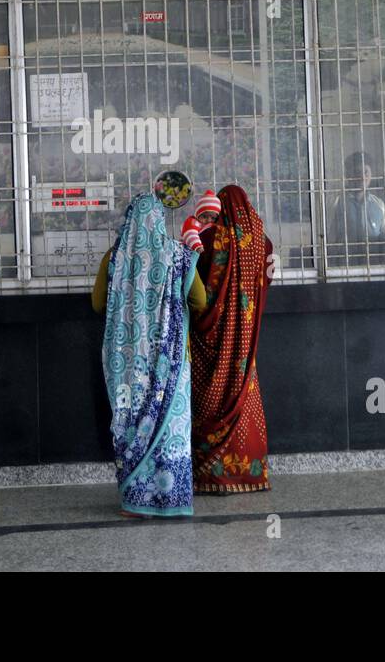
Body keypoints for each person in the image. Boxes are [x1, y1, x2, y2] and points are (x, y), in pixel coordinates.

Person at [91, 192, 207, 517]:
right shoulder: (178, 256)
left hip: (126, 365)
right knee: (171, 429)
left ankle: (134, 501)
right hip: (171, 362)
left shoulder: (114, 258)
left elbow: (97, 304)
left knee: (129, 425)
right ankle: (172, 501)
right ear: (160, 221)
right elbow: (200, 300)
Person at [190, 185, 274, 494]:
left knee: (208, 399)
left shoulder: (210, 240)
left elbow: (193, 285)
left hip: (210, 338)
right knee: (244, 394)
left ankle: (208, 475)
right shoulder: (263, 243)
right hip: (245, 339)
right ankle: (249, 473)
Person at [332, 150, 385, 261]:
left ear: (371, 175)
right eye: (357, 172)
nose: (362, 177)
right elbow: (329, 238)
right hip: (345, 265)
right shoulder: (337, 202)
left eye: (366, 172)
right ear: (348, 175)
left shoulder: (379, 205)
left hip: (375, 264)